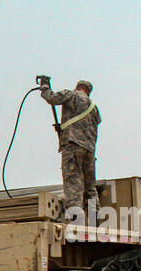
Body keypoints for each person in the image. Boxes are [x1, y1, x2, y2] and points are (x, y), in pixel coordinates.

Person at [40, 79, 101, 220]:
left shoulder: (72, 95)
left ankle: (75, 214)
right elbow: (94, 124)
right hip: (90, 150)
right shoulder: (94, 108)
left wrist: (44, 88)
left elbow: (52, 98)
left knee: (73, 179)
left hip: (73, 145)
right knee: (90, 185)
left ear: (78, 87)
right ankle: (94, 215)